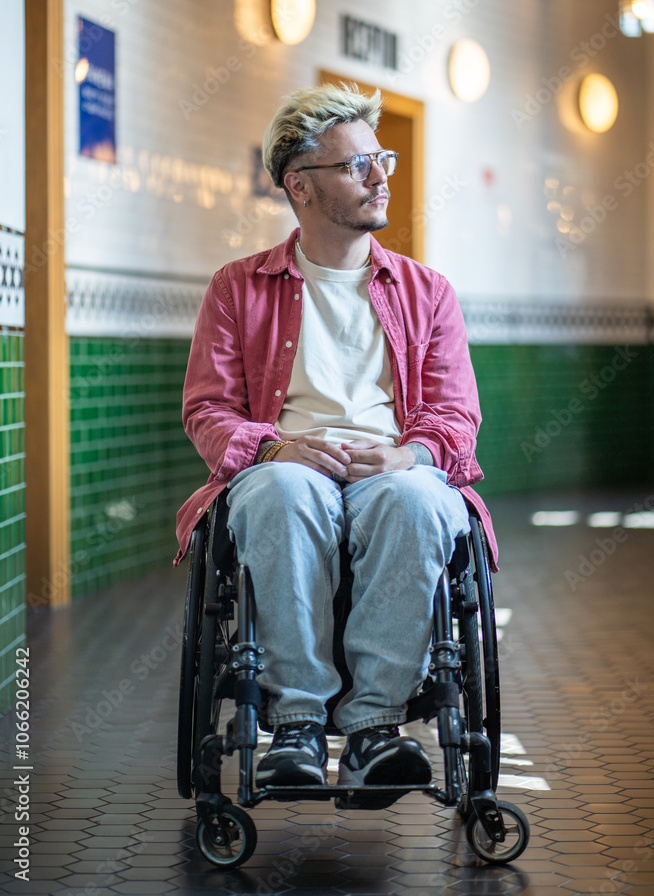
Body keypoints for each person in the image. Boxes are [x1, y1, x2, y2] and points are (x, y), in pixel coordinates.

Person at [175, 83, 497, 793]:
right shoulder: (239, 288)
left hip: (395, 467)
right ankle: (293, 724)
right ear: (300, 185)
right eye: (358, 165)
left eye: (380, 159)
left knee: (415, 500)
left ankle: (373, 730)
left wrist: (407, 454)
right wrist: (271, 449)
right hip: (286, 467)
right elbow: (208, 410)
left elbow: (453, 417)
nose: (380, 176)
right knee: (284, 492)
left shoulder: (426, 292)